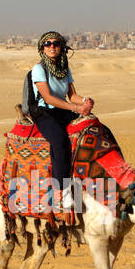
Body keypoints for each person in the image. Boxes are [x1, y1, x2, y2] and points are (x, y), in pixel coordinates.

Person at [28, 31, 92, 211]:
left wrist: (85, 101)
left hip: (62, 109)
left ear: (62, 47)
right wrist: (76, 108)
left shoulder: (64, 68)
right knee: (59, 141)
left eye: (55, 43)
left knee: (93, 126)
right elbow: (48, 98)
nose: (52, 46)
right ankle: (62, 192)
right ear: (42, 48)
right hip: (45, 113)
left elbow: (72, 95)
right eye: (47, 44)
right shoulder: (39, 69)